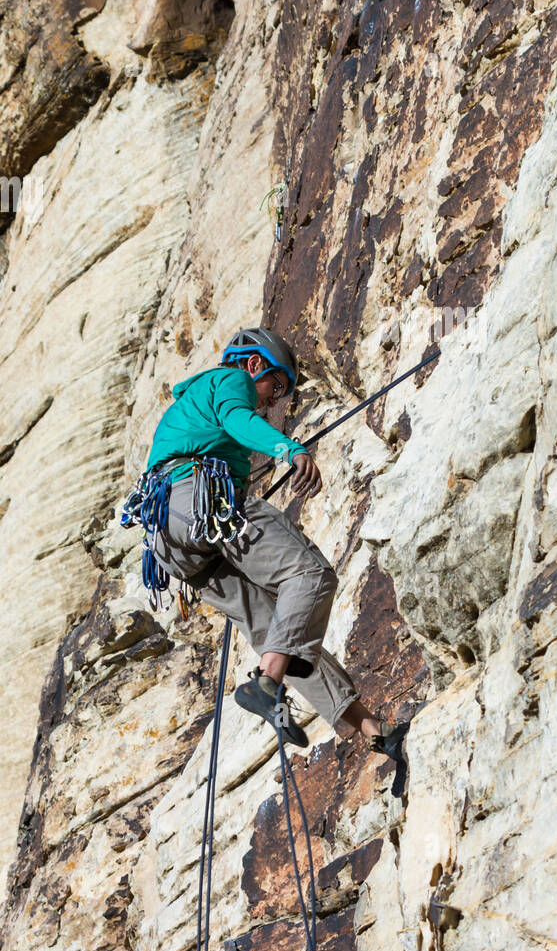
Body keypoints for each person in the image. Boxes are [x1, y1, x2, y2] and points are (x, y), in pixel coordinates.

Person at [134, 325, 408, 781]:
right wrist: (289, 450)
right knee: (310, 576)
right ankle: (266, 686)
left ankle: (376, 731)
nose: (270, 401)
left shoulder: (188, 412)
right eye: (275, 388)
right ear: (257, 364)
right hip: (199, 499)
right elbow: (239, 418)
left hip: (170, 539)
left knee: (277, 630)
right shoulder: (230, 380)